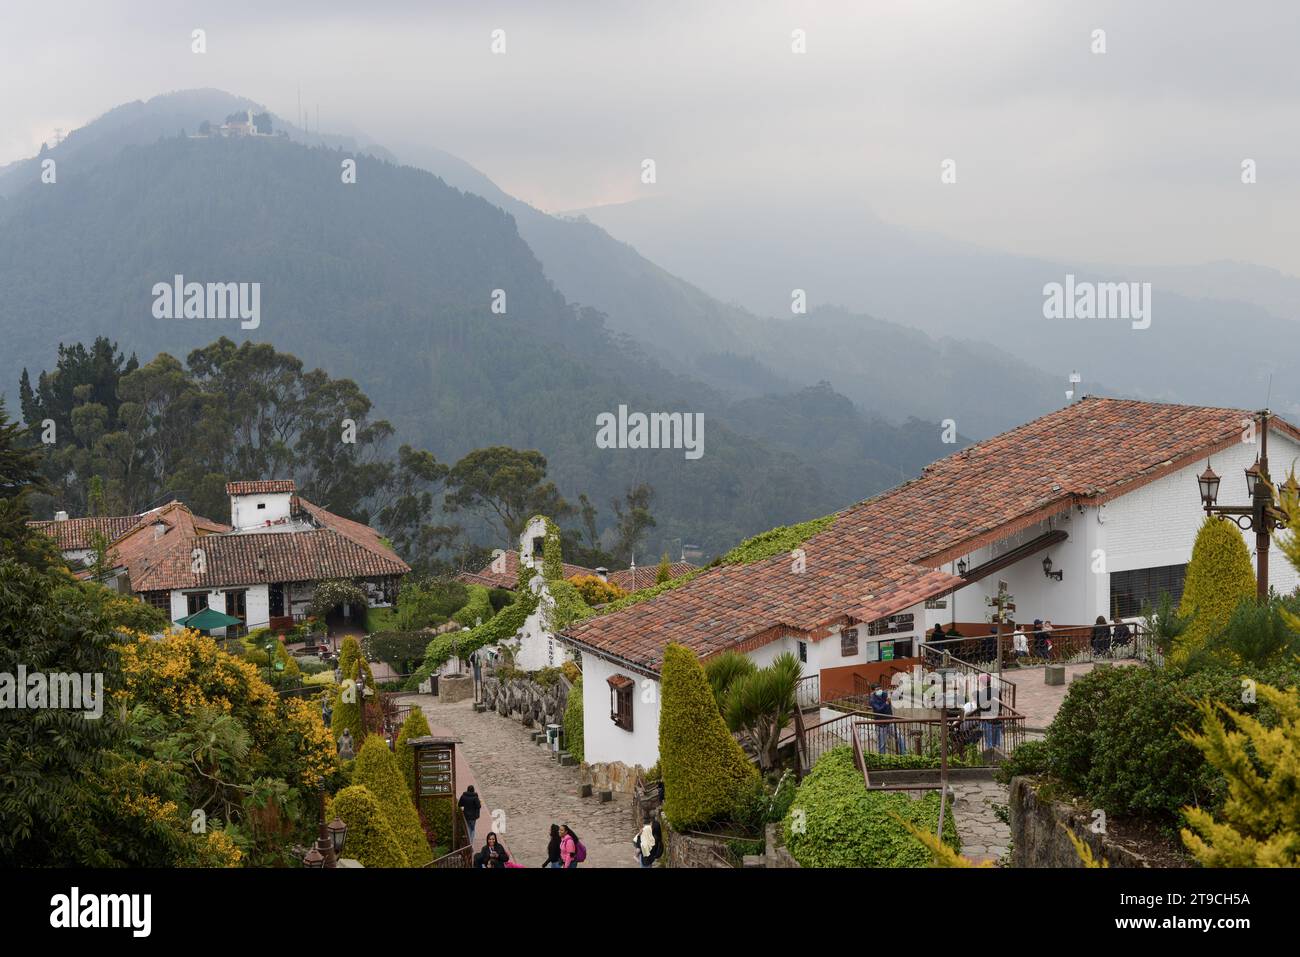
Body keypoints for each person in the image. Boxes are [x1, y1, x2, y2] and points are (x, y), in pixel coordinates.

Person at [868, 685, 899, 754]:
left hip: (890, 722)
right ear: (873, 691)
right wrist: (886, 703)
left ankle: (904, 755)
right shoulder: (872, 700)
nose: (879, 690)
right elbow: (879, 709)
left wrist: (892, 693)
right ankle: (882, 759)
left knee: (900, 738)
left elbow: (892, 695)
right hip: (881, 725)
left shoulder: (884, 695)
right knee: (882, 744)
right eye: (877, 689)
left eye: (880, 688)